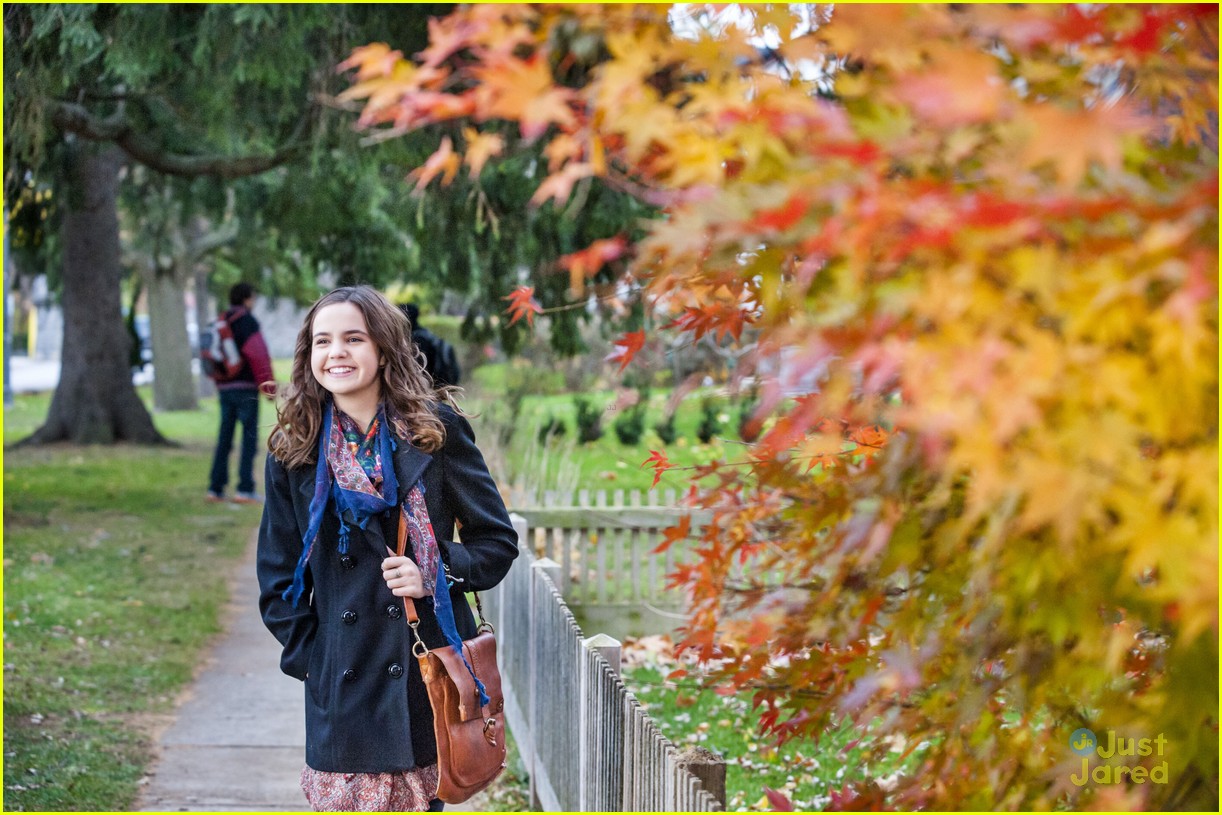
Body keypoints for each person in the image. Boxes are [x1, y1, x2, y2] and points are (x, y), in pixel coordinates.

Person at [256, 285, 518, 812]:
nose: (337, 353)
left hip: (420, 674)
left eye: (354, 338)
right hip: (343, 687)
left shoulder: (436, 433)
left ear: (383, 346)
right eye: (322, 341)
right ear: (308, 356)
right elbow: (278, 581)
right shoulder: (295, 449)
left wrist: (435, 569)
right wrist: (318, 660)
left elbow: (496, 543)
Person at [207, 282, 276, 504]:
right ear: (247, 298)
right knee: (248, 439)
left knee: (224, 438)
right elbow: (258, 355)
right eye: (253, 297)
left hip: (225, 389)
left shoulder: (221, 320)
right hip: (245, 389)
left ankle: (215, 488)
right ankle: (244, 489)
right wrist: (268, 387)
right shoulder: (247, 321)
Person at [399, 303, 462, 387]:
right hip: (435, 386)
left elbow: (419, 370)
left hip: (426, 388)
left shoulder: (417, 339)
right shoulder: (427, 335)